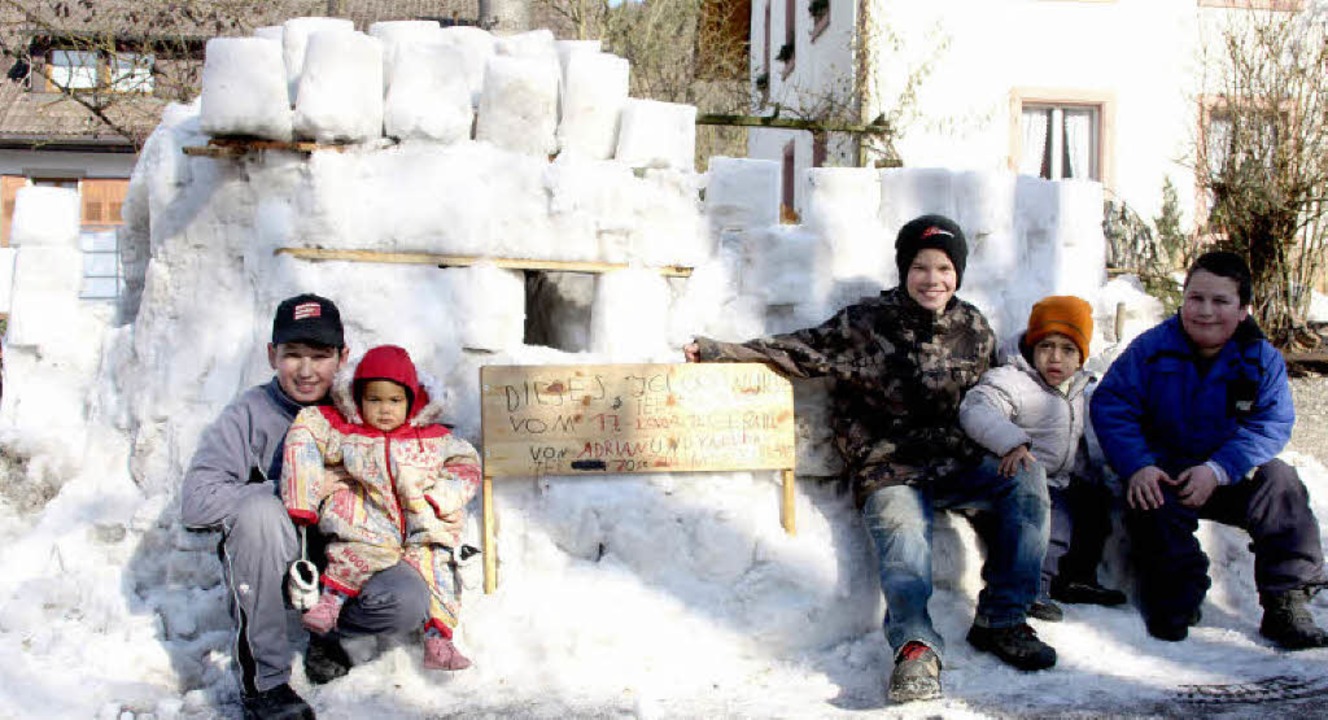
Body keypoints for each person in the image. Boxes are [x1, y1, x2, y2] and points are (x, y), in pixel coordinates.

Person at [684, 214, 1055, 703]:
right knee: (904, 541)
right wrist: (718, 351)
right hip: (889, 467)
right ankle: (916, 648)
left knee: (1026, 479)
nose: (932, 279)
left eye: (944, 268)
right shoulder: (866, 323)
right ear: (904, 270)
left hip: (956, 462)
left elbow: (997, 390)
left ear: (958, 273)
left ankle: (1003, 619)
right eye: (920, 267)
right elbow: (799, 350)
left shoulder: (973, 327)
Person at [182, 294, 432, 720]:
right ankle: (264, 682)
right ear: (272, 355)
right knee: (258, 513)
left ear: (342, 357)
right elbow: (196, 501)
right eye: (293, 355)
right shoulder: (248, 414)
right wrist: (290, 489)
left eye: (320, 356)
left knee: (407, 599)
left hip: (350, 558)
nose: (306, 369)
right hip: (278, 563)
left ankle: (329, 632)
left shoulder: (361, 406)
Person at [1091, 251, 1328, 648]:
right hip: (1167, 475)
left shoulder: (1261, 359)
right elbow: (1112, 405)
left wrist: (1218, 469)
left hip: (1229, 475)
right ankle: (1181, 591)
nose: (1205, 311)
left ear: (1243, 310)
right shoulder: (1151, 349)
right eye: (1196, 298)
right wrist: (1138, 465)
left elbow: (1271, 423)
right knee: (1154, 525)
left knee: (1281, 481)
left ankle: (1286, 599)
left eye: (1220, 301)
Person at [281, 344, 482, 671]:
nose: (384, 410)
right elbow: (305, 430)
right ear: (358, 398)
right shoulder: (347, 433)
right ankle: (331, 603)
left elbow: (467, 464)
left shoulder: (433, 438)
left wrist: (441, 499)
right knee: (352, 555)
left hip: (423, 527)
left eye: (394, 401)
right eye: (374, 400)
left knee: (439, 574)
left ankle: (439, 639)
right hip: (369, 524)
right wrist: (302, 499)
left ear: (411, 400)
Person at [959, 295, 1126, 624]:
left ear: (1081, 357)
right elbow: (976, 410)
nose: (1055, 358)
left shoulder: (1080, 389)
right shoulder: (1010, 381)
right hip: (1021, 478)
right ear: (1031, 346)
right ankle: (1034, 585)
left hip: (1061, 478)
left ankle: (1077, 577)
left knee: (1095, 508)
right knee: (1053, 525)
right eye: (1046, 346)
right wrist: (1011, 442)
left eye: (1068, 350)